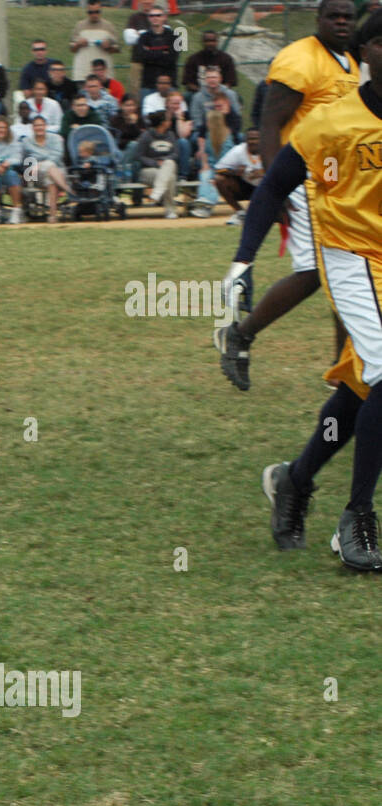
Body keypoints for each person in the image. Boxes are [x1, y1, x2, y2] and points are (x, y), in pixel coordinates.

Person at [236, 11, 382, 569]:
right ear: (369, 51)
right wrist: (241, 262)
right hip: (349, 258)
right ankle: (358, 521)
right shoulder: (331, 120)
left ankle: (294, 481)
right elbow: (274, 182)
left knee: (363, 390)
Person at [214, 0, 359, 391]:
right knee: (315, 273)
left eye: (349, 16)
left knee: (347, 270)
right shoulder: (299, 59)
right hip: (305, 180)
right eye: (334, 15)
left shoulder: (352, 60)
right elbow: (270, 123)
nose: (342, 22)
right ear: (319, 19)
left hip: (342, 183)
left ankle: (343, 363)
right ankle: (241, 335)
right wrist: (275, 187)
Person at [20, 116, 69, 222]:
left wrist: (40, 164)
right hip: (35, 176)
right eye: (36, 125)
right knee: (49, 174)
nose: (39, 128)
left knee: (50, 174)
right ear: (32, 128)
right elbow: (25, 160)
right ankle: (52, 214)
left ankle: (52, 212)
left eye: (41, 125)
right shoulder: (26, 142)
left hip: (57, 172)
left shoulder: (56, 139)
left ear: (46, 126)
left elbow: (57, 156)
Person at [136, 109, 179, 218]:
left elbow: (175, 154)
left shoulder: (171, 135)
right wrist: (155, 163)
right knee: (171, 178)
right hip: (149, 171)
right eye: (168, 120)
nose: (171, 122)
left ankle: (157, 193)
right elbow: (139, 156)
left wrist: (164, 161)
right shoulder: (146, 136)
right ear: (162, 123)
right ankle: (170, 210)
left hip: (167, 167)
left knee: (169, 163)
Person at [214, 127, 262, 224]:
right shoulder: (239, 150)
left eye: (256, 138)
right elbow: (219, 169)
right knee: (219, 180)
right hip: (244, 186)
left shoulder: (270, 149)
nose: (253, 142)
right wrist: (236, 172)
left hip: (265, 187)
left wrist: (263, 173)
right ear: (246, 140)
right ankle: (240, 213)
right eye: (250, 139)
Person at [70, 1, 121, 82]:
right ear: (87, 12)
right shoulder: (79, 26)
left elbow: (118, 49)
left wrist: (108, 46)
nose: (94, 15)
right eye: (91, 12)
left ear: (101, 11)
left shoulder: (108, 26)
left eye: (97, 12)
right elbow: (71, 48)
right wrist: (78, 44)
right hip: (82, 75)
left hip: (104, 76)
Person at [134, 6, 180, 90]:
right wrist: (163, 53)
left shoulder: (175, 37)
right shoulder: (143, 37)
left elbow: (172, 59)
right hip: (148, 85)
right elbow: (140, 57)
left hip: (169, 84)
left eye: (158, 15)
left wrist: (150, 53)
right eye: (152, 15)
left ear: (164, 17)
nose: (155, 18)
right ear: (148, 18)